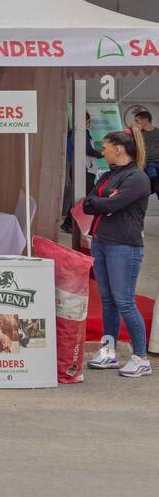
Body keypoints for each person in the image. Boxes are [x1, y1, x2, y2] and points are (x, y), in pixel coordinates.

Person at [84, 128, 152, 378]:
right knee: (108, 301)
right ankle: (109, 350)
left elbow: (111, 204)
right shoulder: (109, 175)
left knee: (124, 301)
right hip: (101, 242)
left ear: (119, 149)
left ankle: (141, 357)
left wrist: (103, 203)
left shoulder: (137, 178)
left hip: (124, 246)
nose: (102, 151)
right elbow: (88, 203)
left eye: (105, 147)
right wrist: (103, 203)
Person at [61, 112, 103, 233]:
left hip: (79, 167)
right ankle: (72, 223)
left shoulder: (73, 133)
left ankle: (70, 223)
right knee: (84, 197)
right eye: (88, 121)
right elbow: (88, 150)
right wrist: (103, 154)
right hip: (83, 168)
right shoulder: (80, 133)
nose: (89, 124)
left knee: (80, 196)